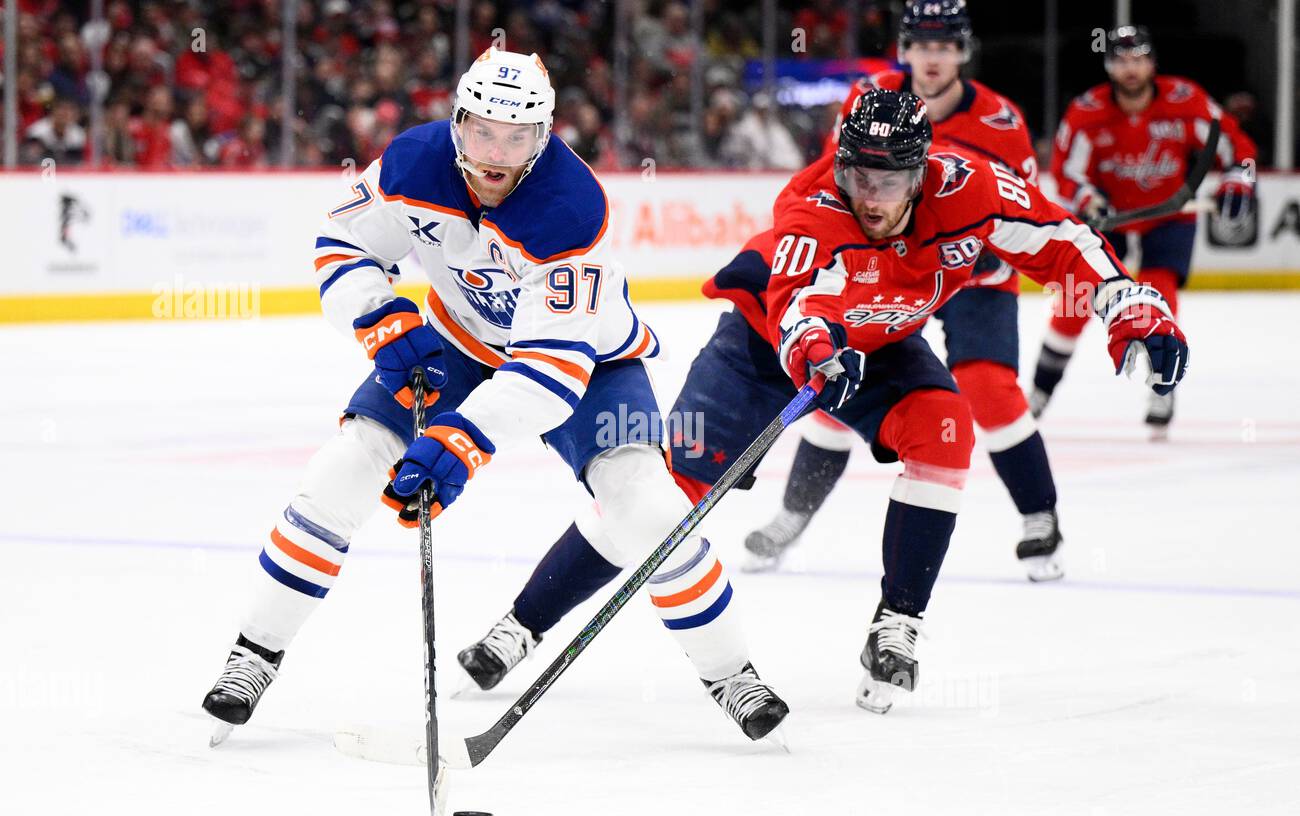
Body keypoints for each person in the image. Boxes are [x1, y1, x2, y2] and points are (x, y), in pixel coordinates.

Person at [457, 88, 1189, 714]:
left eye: (887, 181)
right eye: (856, 176)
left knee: (945, 429)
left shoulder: (974, 189)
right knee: (659, 498)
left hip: (876, 347)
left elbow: (1062, 240)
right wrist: (815, 349)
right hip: (763, 348)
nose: (868, 197)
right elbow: (800, 302)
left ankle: (897, 624)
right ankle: (523, 624)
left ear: (922, 172)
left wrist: (1131, 306)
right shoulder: (810, 204)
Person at [200, 49, 790, 746]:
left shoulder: (570, 208)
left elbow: (549, 372)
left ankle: (731, 673)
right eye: (482, 131)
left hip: (590, 365)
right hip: (455, 343)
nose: (496, 154)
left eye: (517, 137)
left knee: (650, 509)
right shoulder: (413, 162)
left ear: (543, 136)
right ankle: (253, 655)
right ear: (457, 123)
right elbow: (341, 241)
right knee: (344, 467)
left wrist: (463, 439)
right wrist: (377, 316)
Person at [746, 0, 1067, 581]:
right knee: (839, 374)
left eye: (945, 46)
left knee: (988, 389)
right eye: (922, 45)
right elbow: (836, 184)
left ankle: (1039, 516)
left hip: (973, 269)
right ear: (905, 48)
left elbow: (1025, 213)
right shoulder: (869, 97)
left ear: (963, 52)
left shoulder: (1000, 119)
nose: (933, 57)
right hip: (883, 267)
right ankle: (793, 513)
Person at [1030, 24, 1256, 433]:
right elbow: (1067, 173)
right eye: (1121, 60)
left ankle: (1162, 385)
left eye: (1139, 59)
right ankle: (1039, 392)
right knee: (1074, 305)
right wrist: (1087, 200)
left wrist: (1240, 178)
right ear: (1108, 66)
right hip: (1109, 221)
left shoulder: (1186, 102)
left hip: (1167, 218)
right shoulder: (1086, 112)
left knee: (1159, 293)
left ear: (1153, 62)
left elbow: (1236, 148)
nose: (1131, 69)